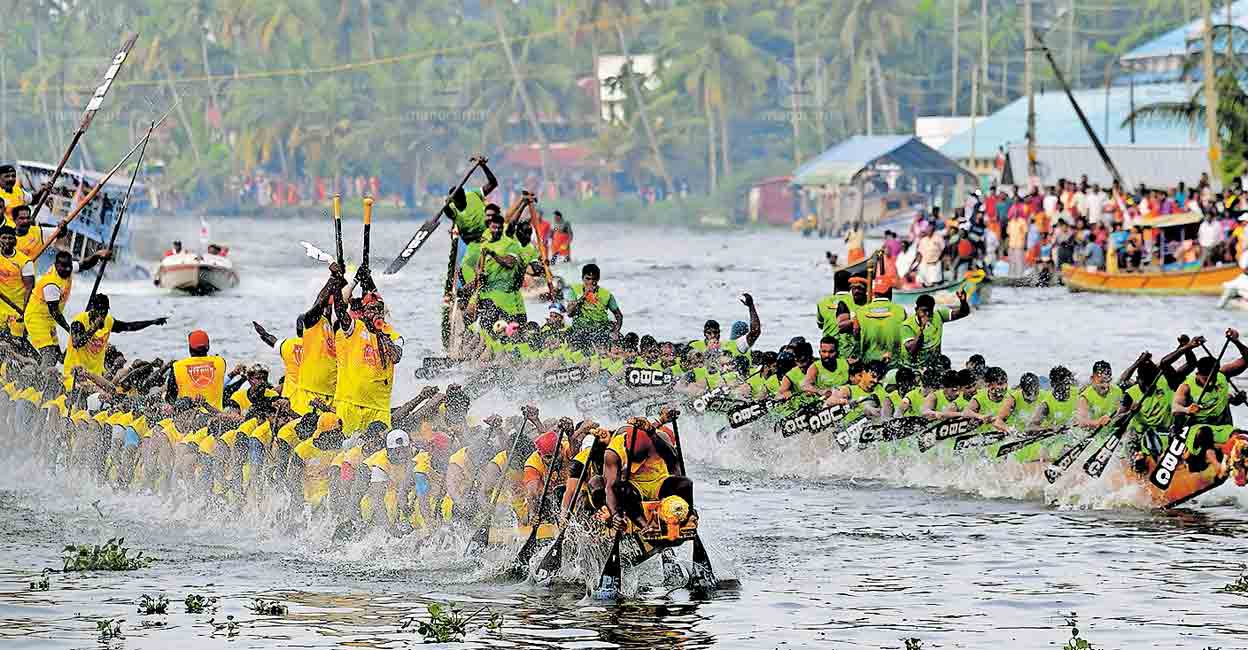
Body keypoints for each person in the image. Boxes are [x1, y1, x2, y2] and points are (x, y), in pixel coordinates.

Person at [333, 270, 404, 434]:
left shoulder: (393, 334)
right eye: (371, 309)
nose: (375, 313)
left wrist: (380, 334)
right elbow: (339, 307)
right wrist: (356, 280)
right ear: (364, 313)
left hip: (379, 408)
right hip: (349, 405)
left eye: (379, 310)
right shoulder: (354, 328)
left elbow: (396, 356)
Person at [24, 248, 111, 365]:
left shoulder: (67, 268)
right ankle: (42, 380)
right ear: (56, 265)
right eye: (64, 267)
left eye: (69, 266)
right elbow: (55, 313)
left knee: (58, 356)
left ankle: (39, 370)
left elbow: (85, 264)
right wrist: (70, 330)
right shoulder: (51, 284)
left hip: (48, 320)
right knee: (49, 353)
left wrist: (98, 255)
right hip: (36, 319)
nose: (67, 269)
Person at [63, 294, 167, 391]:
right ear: (93, 309)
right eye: (100, 311)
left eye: (105, 311)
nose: (102, 315)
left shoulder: (108, 321)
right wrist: (94, 328)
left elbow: (128, 326)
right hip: (75, 375)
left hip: (97, 377)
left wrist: (152, 322)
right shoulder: (79, 321)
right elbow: (77, 343)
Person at [901, 292, 970, 370]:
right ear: (916, 310)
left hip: (933, 367)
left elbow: (963, 312)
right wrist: (921, 328)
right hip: (912, 368)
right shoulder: (907, 326)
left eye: (930, 311)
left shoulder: (939, 315)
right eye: (924, 311)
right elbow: (912, 350)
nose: (927, 314)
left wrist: (963, 301)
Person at [441, 156, 498, 244]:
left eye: (463, 199)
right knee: (457, 234)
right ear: (454, 201)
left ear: (464, 195)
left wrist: (483, 166)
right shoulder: (451, 208)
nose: (462, 202)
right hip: (468, 239)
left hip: (487, 233)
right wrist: (445, 205)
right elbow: (448, 212)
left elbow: (493, 183)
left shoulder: (472, 193)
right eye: (459, 201)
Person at [166, 330, 228, 410]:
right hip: (216, 417)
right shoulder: (220, 362)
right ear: (208, 347)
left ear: (190, 348)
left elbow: (170, 400)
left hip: (190, 418)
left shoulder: (177, 366)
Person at [565, 263, 622, 350]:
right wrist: (584, 296)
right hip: (580, 329)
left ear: (598, 279)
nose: (591, 282)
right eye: (587, 279)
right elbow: (569, 313)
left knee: (622, 341)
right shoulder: (574, 291)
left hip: (601, 330)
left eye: (594, 279)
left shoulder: (606, 294)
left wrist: (616, 331)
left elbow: (619, 316)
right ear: (582, 278)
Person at [692, 293, 760, 360]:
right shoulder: (695, 346)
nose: (713, 336)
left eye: (716, 332)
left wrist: (751, 306)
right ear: (704, 333)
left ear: (719, 333)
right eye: (709, 333)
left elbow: (755, 331)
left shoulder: (733, 345)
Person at [252, 318, 304, 403]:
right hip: (309, 397)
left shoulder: (287, 344)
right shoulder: (318, 346)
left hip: (287, 399)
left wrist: (263, 333)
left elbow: (271, 341)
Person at [856, 280, 907, 365]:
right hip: (893, 363)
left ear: (874, 293)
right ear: (890, 292)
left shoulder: (860, 311)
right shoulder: (900, 310)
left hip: (869, 363)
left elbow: (856, 335)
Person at [0, 224, 34, 338]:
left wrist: (25, 311)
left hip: (16, 310)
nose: (7, 241)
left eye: (10, 238)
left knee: (15, 344)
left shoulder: (25, 262)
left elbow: (29, 288)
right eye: (4, 238)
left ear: (15, 241)